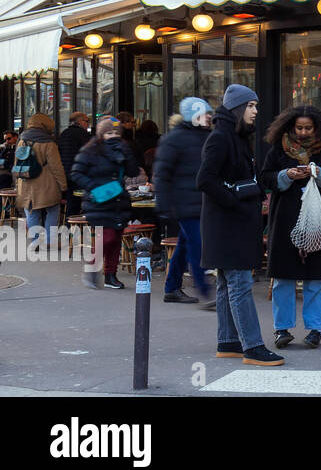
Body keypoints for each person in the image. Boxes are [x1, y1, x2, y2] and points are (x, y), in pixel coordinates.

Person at [197, 85, 283, 367]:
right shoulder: (221, 137)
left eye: (256, 106)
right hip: (228, 225)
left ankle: (228, 341)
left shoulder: (234, 136)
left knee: (226, 284)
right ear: (237, 108)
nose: (256, 111)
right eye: (251, 106)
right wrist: (235, 201)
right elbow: (205, 179)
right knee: (240, 285)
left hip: (229, 225)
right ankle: (253, 346)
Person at [260, 106, 321, 350]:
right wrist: (286, 175)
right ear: (290, 126)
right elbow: (265, 178)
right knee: (282, 278)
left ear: (318, 127)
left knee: (315, 279)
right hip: (285, 219)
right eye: (299, 128)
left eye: (308, 128)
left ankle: (314, 329)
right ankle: (281, 328)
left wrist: (320, 174)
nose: (303, 132)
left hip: (317, 220)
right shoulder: (278, 150)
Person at [153, 97, 215, 307]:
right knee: (198, 245)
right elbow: (162, 174)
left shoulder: (206, 136)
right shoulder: (175, 139)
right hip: (185, 203)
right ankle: (205, 291)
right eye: (206, 113)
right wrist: (163, 205)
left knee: (185, 244)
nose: (209, 117)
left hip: (199, 201)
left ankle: (171, 288)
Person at [72, 117, 139, 289]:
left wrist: (127, 153)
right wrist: (95, 188)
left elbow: (132, 171)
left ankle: (111, 275)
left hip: (118, 200)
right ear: (101, 134)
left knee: (116, 238)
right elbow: (76, 173)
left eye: (116, 133)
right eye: (109, 133)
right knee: (107, 237)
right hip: (99, 201)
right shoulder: (91, 150)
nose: (113, 136)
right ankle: (92, 269)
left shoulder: (121, 149)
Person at [15, 113, 66, 249]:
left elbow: (17, 163)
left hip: (26, 183)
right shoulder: (49, 142)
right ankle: (50, 241)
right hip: (46, 183)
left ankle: (35, 241)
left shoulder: (22, 140)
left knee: (31, 212)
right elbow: (57, 167)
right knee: (53, 209)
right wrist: (63, 185)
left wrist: (17, 183)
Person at [58, 112, 93, 215]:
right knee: (81, 202)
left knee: (72, 202)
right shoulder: (83, 135)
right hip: (80, 173)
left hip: (66, 173)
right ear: (80, 121)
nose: (88, 124)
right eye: (87, 121)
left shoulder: (64, 133)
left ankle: (70, 226)